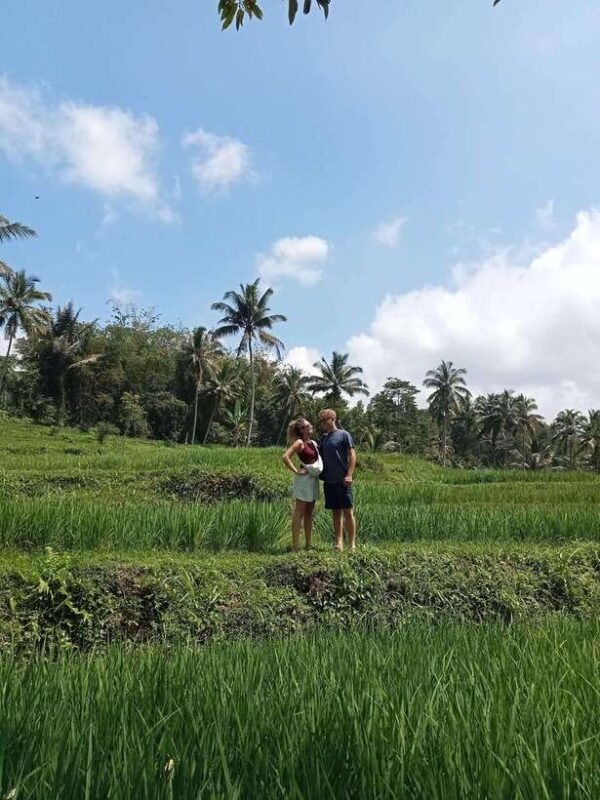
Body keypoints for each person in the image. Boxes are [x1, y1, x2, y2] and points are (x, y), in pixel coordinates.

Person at [318, 409, 357, 551]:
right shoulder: (324, 438)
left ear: (332, 419)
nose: (322, 423)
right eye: (321, 420)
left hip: (343, 481)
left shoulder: (344, 435)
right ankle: (338, 543)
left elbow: (352, 455)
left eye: (324, 419)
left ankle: (352, 544)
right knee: (335, 513)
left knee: (348, 512)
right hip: (329, 481)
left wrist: (349, 474)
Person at [282, 417, 322, 551]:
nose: (311, 427)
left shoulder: (313, 443)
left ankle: (308, 544)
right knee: (299, 512)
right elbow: (285, 457)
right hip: (304, 480)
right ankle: (295, 545)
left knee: (309, 512)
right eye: (308, 425)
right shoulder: (299, 442)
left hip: (313, 479)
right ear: (302, 430)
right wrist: (296, 471)